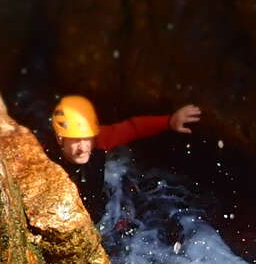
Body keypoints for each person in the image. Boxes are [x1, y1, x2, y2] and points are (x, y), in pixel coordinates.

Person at [48, 94, 201, 223]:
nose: (83, 148)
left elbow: (132, 128)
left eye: (87, 139)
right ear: (60, 138)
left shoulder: (99, 140)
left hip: (96, 212)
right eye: (75, 140)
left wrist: (169, 121)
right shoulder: (43, 157)